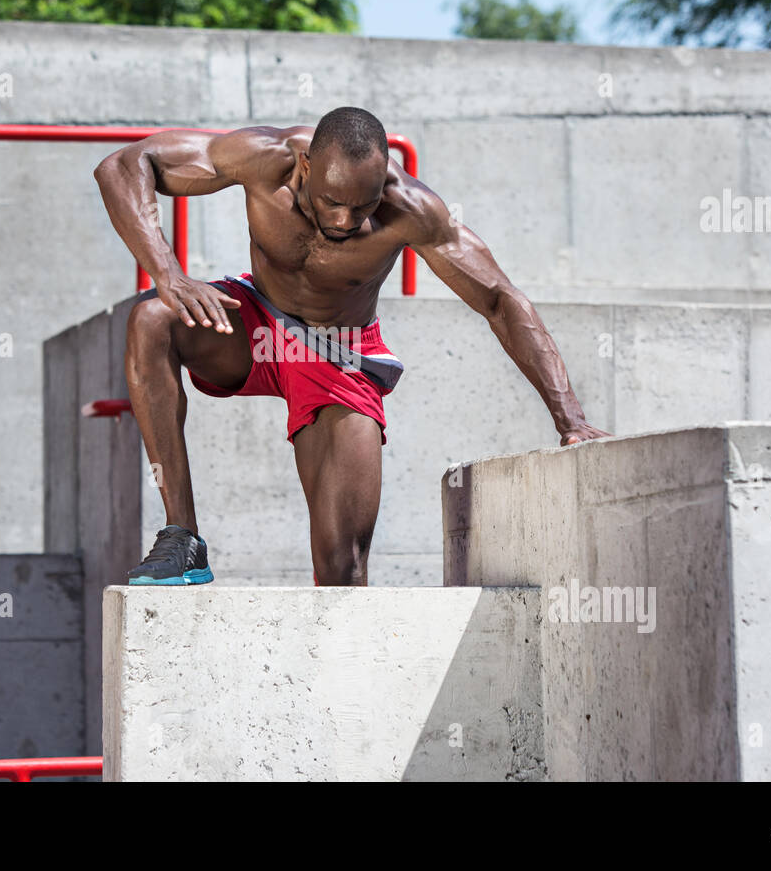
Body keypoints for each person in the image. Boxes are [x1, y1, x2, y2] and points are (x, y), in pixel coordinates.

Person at [93, 106, 609, 587]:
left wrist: (571, 420)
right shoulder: (261, 157)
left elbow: (499, 300)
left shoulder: (414, 211)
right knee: (152, 317)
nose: (343, 221)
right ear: (307, 163)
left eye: (361, 206)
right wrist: (166, 271)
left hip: (338, 352)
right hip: (254, 326)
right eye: (331, 201)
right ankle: (182, 536)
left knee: (343, 567)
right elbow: (123, 163)